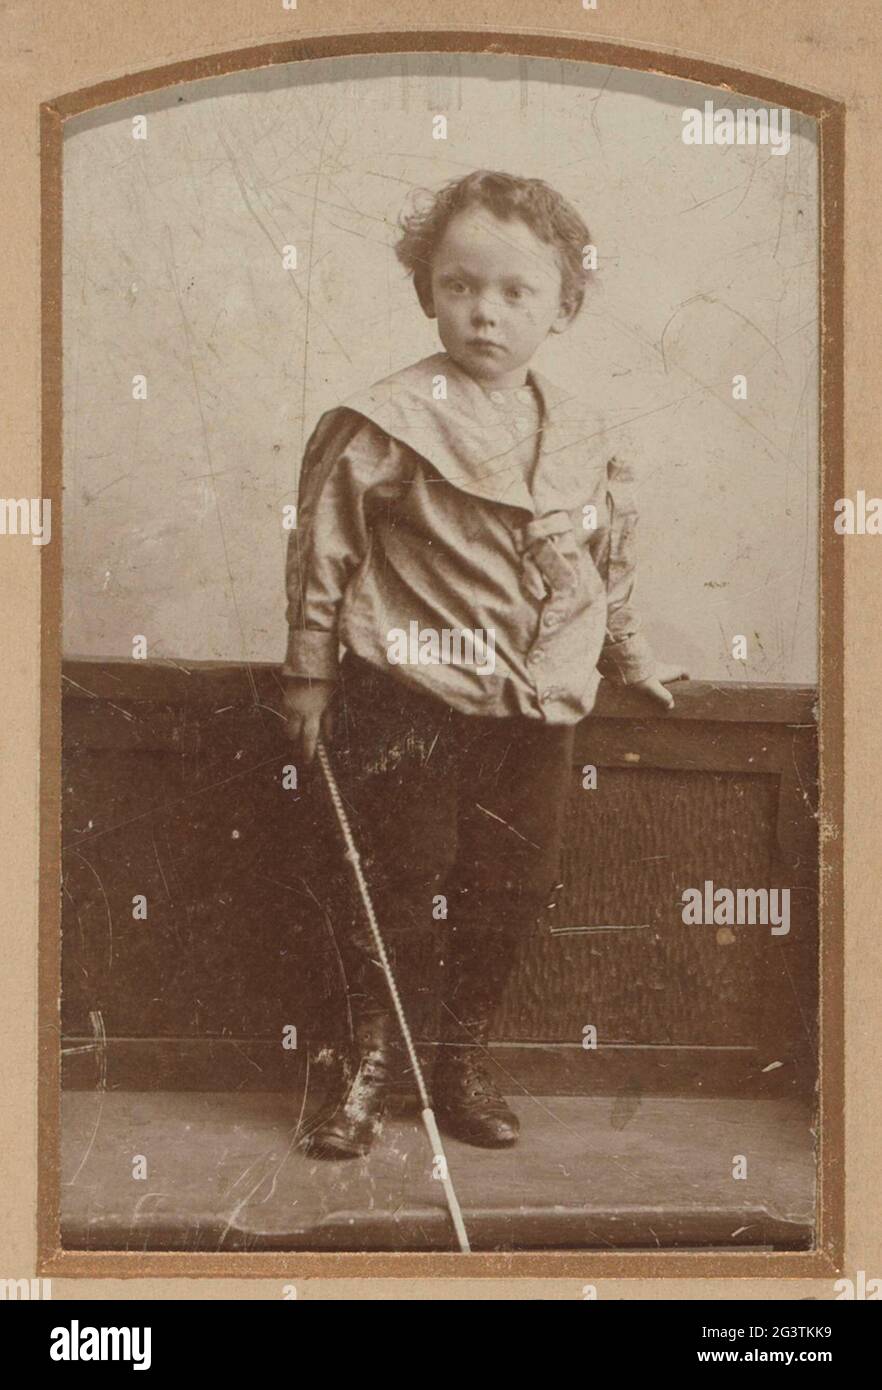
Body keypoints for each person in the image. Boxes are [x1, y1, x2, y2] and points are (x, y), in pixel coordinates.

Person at [281, 169, 686, 1160]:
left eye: (516, 293)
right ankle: (362, 1070)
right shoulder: (388, 419)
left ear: (563, 307)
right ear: (428, 290)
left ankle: (458, 1060)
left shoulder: (583, 434)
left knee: (512, 883)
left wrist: (628, 654)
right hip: (408, 692)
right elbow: (323, 546)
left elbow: (604, 563)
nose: (485, 312)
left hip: (533, 705)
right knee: (392, 882)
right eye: (460, 285)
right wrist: (307, 670)